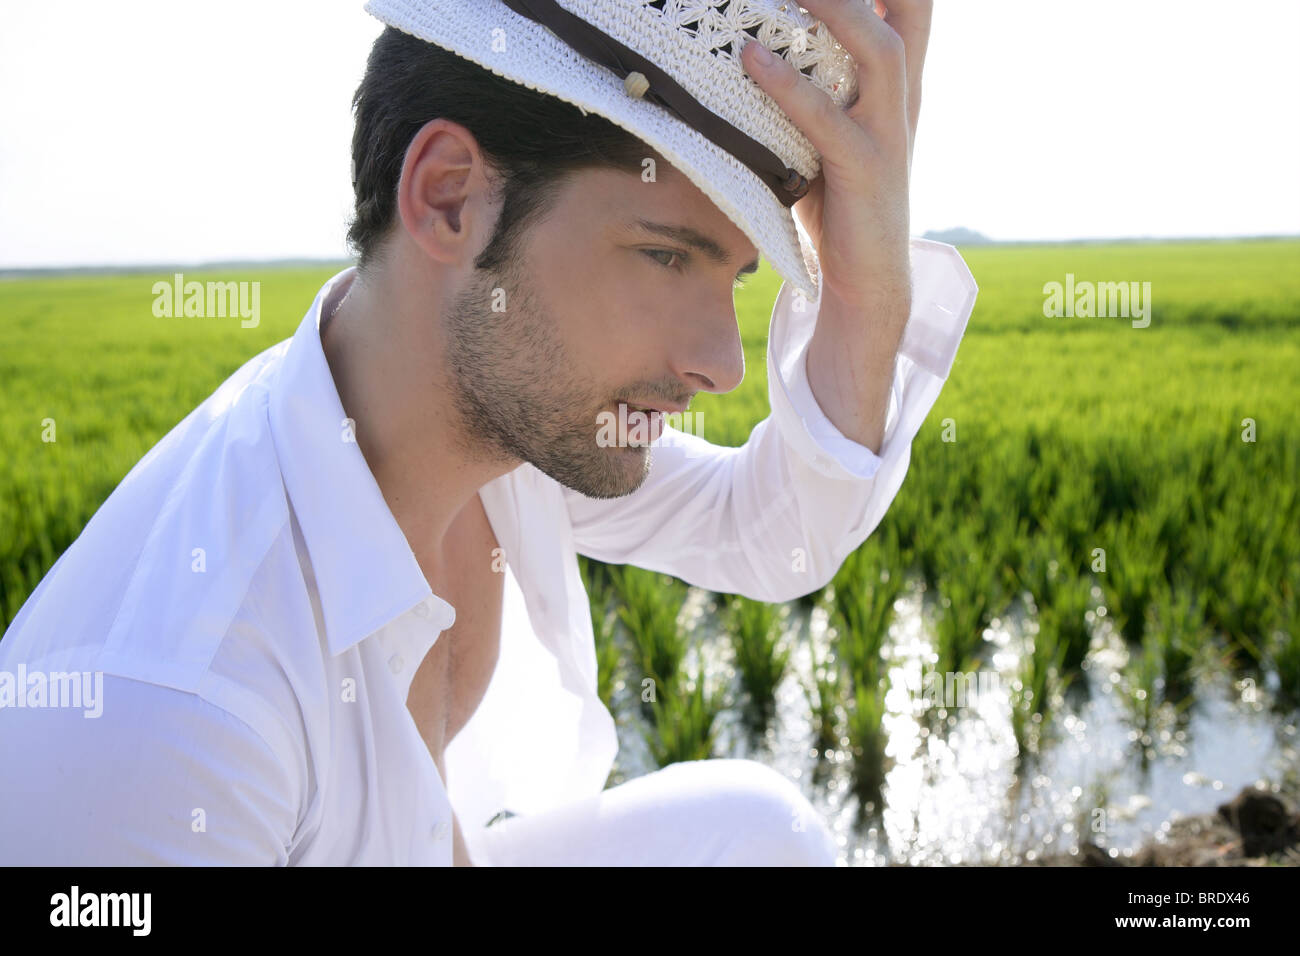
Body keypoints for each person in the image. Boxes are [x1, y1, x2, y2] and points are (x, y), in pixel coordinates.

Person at [0, 0, 975, 865]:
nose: (721, 363)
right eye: (665, 254)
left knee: (755, 831)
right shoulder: (170, 717)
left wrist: (864, 287)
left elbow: (773, 533)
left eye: (733, 278)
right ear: (449, 197)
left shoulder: (496, 425)